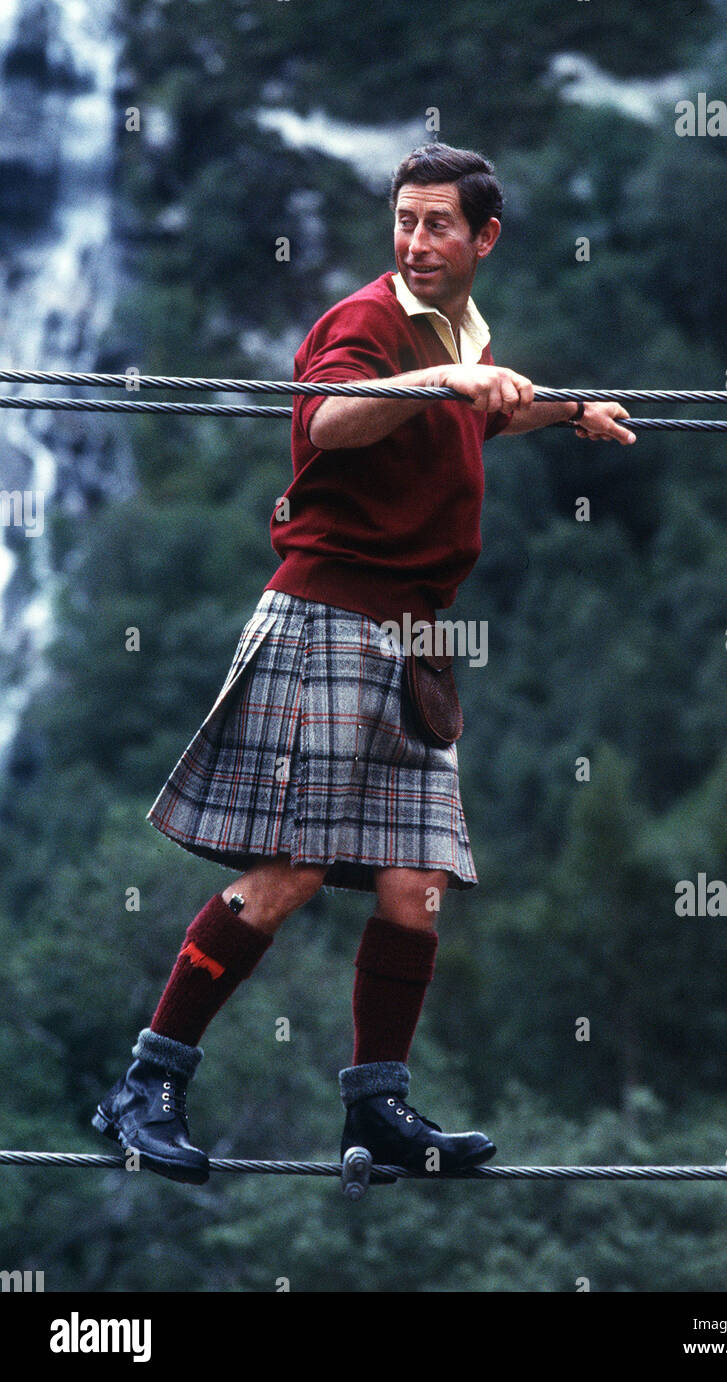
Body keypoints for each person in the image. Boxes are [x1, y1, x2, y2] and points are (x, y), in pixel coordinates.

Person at [92, 143, 636, 1184]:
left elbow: (483, 409)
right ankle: (147, 1083)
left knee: (412, 883)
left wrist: (566, 409)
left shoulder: (457, 335)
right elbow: (329, 419)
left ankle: (376, 1107)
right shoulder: (366, 323)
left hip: (417, 638)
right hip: (330, 618)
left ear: (485, 239)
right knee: (292, 866)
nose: (417, 241)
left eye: (439, 225)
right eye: (404, 221)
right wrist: (443, 375)